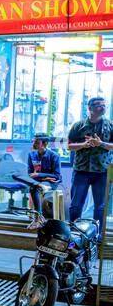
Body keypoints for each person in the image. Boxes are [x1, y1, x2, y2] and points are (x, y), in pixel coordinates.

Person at [68, 95, 113, 237]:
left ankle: (97, 236)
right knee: (76, 205)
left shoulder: (110, 125)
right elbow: (69, 146)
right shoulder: (78, 125)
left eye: (104, 105)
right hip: (81, 171)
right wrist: (84, 144)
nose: (103, 107)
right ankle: (74, 235)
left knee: (100, 207)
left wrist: (101, 144)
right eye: (99, 105)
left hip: (103, 171)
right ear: (90, 108)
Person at [26, 134, 61, 219]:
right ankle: (37, 215)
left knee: (34, 188)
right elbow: (30, 174)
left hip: (51, 182)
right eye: (34, 141)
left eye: (37, 142)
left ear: (44, 144)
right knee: (29, 183)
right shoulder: (31, 155)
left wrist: (39, 175)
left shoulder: (54, 156)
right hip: (39, 181)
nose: (34, 143)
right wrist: (44, 177)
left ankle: (38, 216)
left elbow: (57, 176)